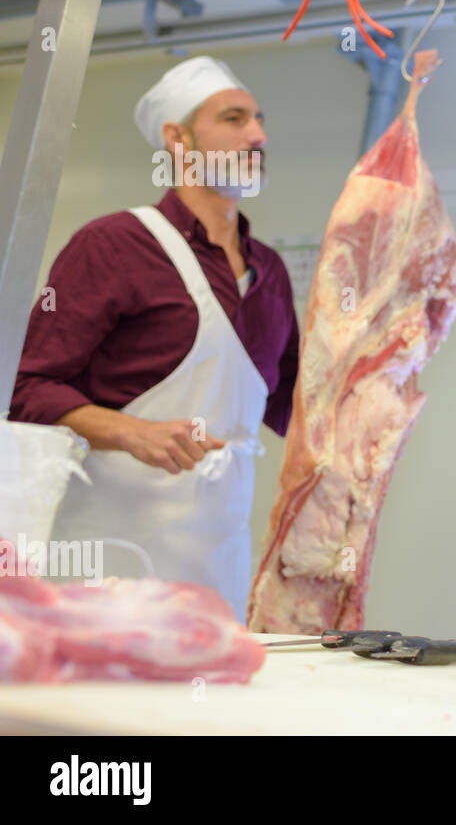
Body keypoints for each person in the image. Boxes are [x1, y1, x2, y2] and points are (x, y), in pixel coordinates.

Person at [10, 55, 299, 620]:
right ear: (179, 138)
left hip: (219, 569)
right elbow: (23, 387)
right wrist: (129, 431)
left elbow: (299, 408)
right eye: (234, 119)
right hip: (106, 568)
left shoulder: (271, 273)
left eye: (259, 120)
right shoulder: (113, 245)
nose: (258, 135)